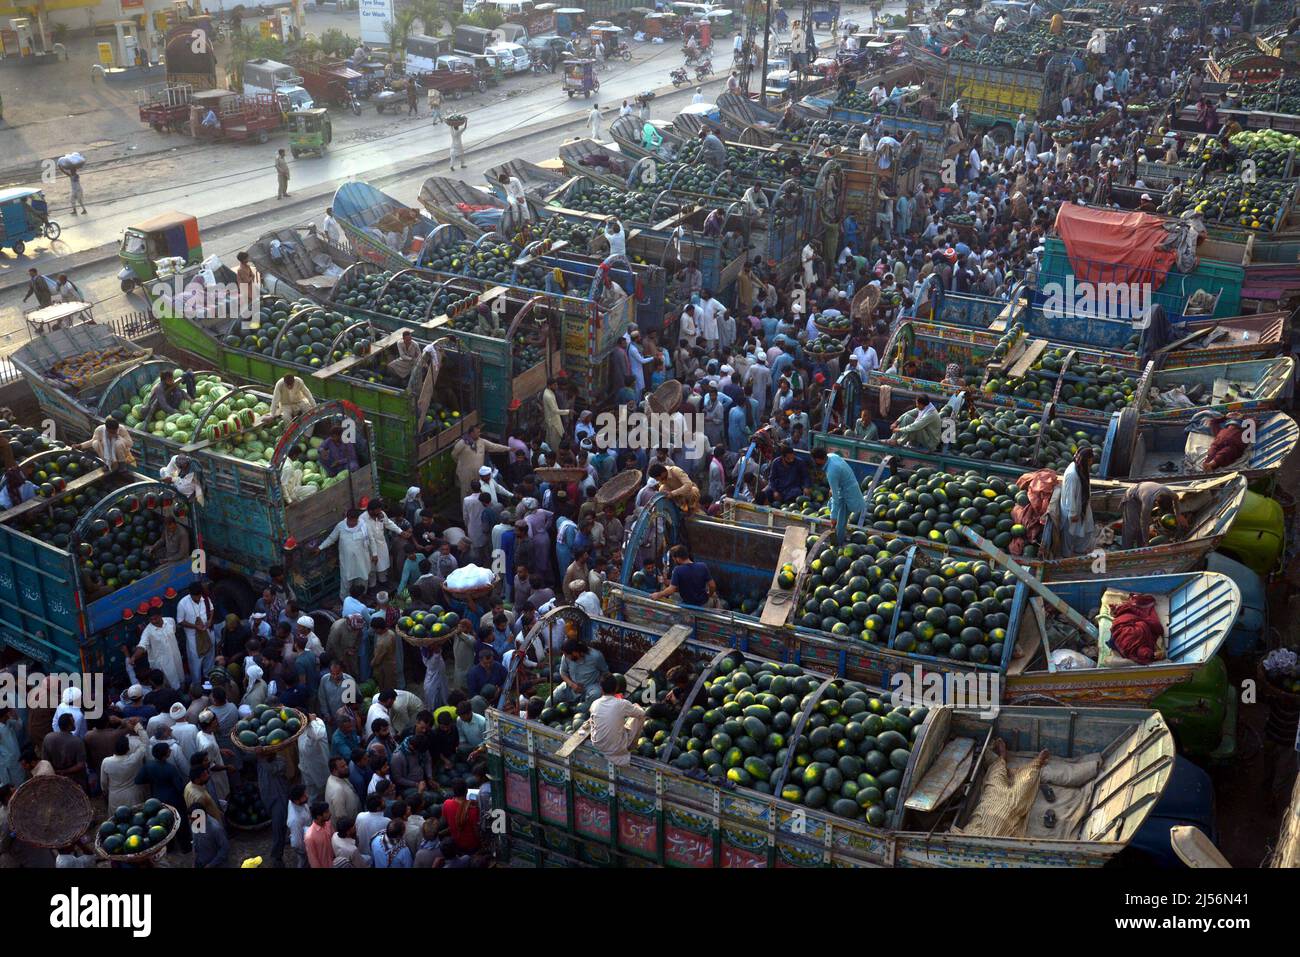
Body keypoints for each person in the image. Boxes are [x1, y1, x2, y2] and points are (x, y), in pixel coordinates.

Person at [810, 446, 866, 544]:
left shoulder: (832, 471)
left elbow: (836, 497)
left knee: (840, 521)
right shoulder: (831, 456)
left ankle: (838, 544)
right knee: (832, 506)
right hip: (846, 487)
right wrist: (833, 488)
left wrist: (833, 517)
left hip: (847, 494)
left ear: (818, 459)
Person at [589, 673, 647, 766]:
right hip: (616, 748)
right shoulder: (622, 704)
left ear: (601, 688)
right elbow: (642, 714)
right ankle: (632, 746)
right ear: (616, 688)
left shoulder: (595, 703)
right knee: (639, 712)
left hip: (597, 744)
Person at [315, 509, 374, 599]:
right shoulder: (340, 526)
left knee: (362, 581)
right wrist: (320, 547)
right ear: (347, 518)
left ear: (357, 519)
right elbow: (331, 538)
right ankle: (345, 600)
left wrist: (375, 553)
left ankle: (361, 597)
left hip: (362, 561)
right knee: (346, 583)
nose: (353, 523)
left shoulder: (363, 525)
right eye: (351, 520)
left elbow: (371, 539)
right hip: (347, 563)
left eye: (355, 521)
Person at [1057, 447, 1097, 557]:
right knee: (1069, 536)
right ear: (1085, 460)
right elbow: (1069, 497)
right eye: (1090, 461)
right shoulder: (1072, 475)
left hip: (1082, 508)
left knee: (1086, 531)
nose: (1091, 463)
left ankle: (1079, 551)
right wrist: (1073, 514)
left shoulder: (1081, 468)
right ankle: (1066, 558)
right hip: (1072, 511)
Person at [651, 543, 715, 606]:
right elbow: (712, 585)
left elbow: (671, 590)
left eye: (674, 559)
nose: (674, 561)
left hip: (689, 605)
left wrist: (658, 595)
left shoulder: (678, 570)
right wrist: (709, 594)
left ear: (678, 558)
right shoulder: (703, 566)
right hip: (704, 603)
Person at [1120, 482, 1178, 550]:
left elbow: (1176, 499)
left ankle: (1141, 547)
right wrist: (1146, 541)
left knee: (1140, 528)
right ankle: (1126, 550)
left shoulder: (1171, 493)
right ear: (1157, 501)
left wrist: (1178, 515)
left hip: (1142, 492)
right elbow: (1144, 523)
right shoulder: (1148, 501)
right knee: (1132, 528)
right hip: (1131, 497)